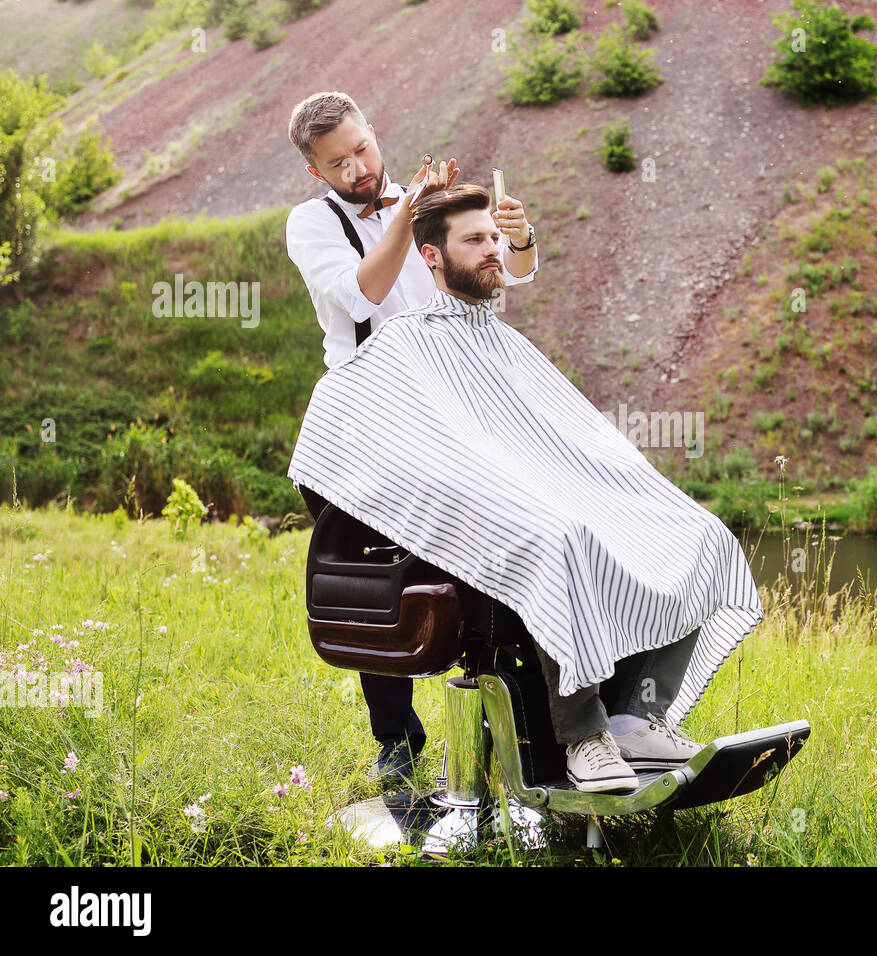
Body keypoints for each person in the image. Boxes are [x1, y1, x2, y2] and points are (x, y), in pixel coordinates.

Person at [286, 184, 766, 793]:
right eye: (475, 241)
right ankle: (583, 738)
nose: (493, 252)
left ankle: (635, 716)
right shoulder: (404, 342)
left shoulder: (501, 340)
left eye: (495, 238)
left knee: (693, 530)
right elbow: (341, 428)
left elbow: (567, 438)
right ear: (431, 256)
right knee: (560, 537)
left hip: (536, 498)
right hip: (475, 527)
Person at [283, 91, 539, 783]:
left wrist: (516, 238)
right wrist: (406, 213)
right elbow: (365, 292)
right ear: (315, 172)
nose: (357, 168)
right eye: (338, 163)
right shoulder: (310, 224)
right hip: (363, 421)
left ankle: (506, 734)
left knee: (493, 569)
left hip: (451, 412)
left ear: (374, 130)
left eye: (361, 149)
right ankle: (396, 741)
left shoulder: (429, 203)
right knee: (377, 582)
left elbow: (501, 276)